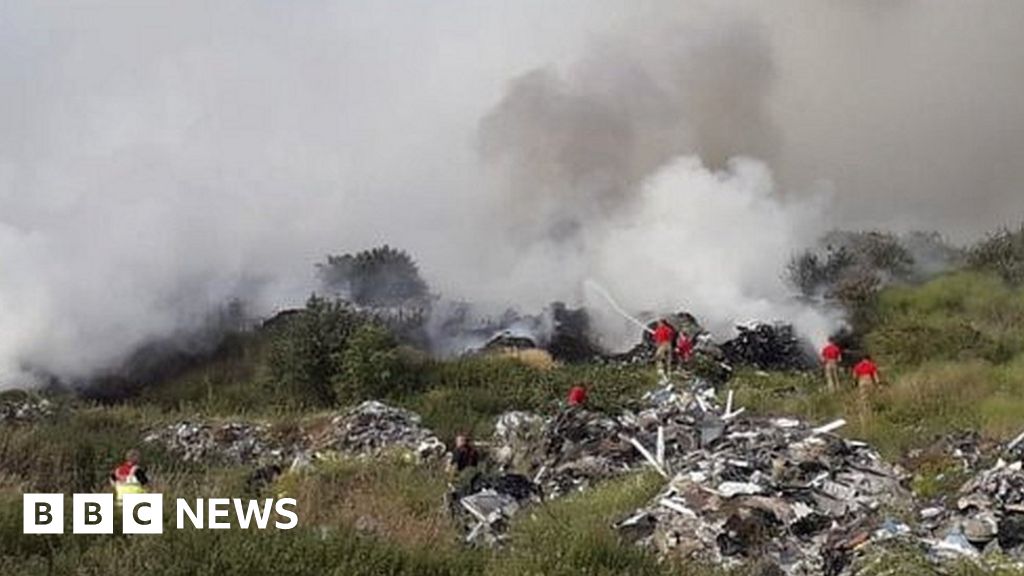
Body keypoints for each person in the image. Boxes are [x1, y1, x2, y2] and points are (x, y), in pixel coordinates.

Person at [852, 355, 880, 424]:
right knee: (870, 397)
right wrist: (878, 384)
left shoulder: (858, 366)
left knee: (863, 398)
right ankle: (871, 413)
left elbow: (854, 376)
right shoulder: (871, 365)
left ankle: (864, 412)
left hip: (861, 380)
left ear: (863, 359)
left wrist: (855, 383)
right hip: (869, 380)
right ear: (868, 359)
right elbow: (875, 376)